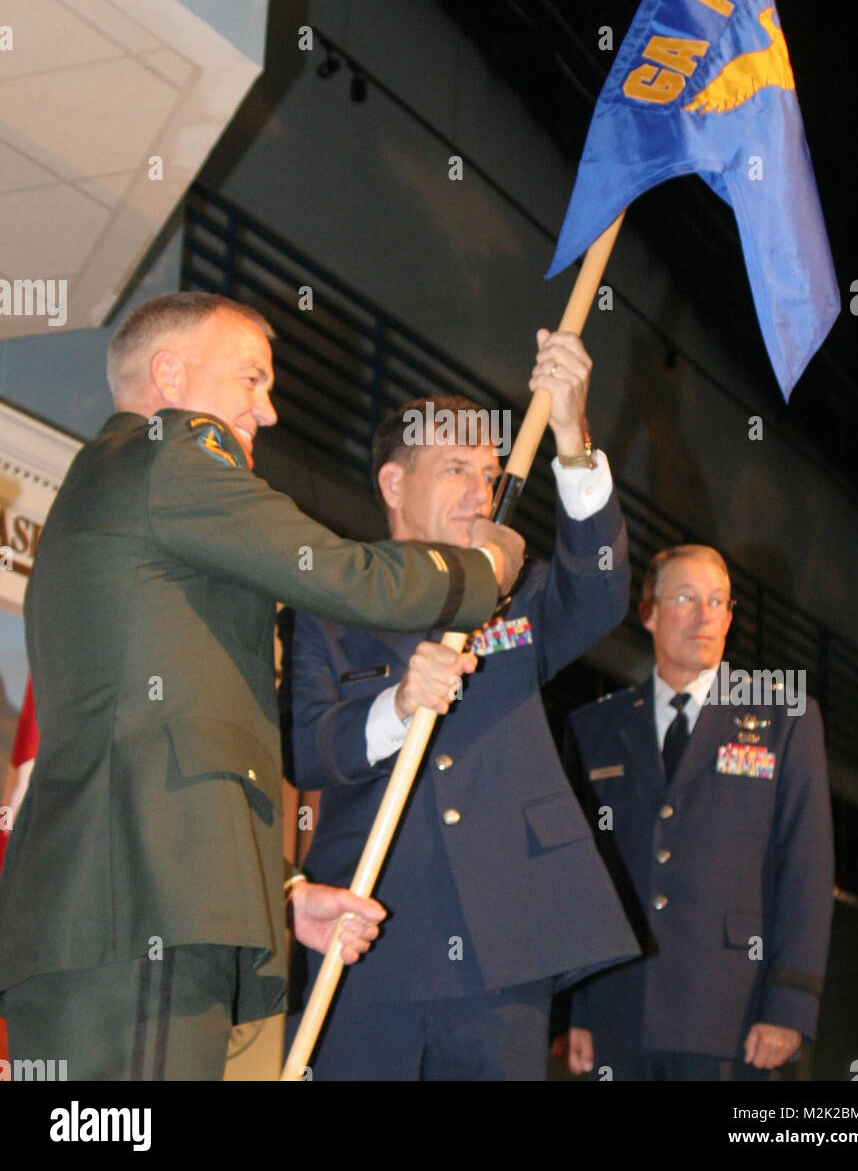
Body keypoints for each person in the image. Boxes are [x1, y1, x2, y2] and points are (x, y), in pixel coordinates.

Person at [0, 291, 523, 1080]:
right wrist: (481, 569)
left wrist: (282, 893)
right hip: (145, 909)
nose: (268, 410)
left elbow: (170, 723)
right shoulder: (168, 451)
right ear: (169, 374)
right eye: (250, 378)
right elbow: (345, 575)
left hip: (126, 907)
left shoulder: (128, 483)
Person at [284, 329, 640, 1081]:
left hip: (504, 938)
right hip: (365, 933)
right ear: (391, 484)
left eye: (488, 472)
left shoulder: (519, 592)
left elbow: (601, 589)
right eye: (454, 469)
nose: (480, 492)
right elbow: (303, 746)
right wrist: (395, 709)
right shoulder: (329, 601)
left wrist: (572, 438)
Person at [557, 544, 834, 1081]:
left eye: (718, 601)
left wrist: (789, 1006)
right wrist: (574, 1009)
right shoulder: (596, 729)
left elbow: (807, 870)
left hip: (732, 1015)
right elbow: (577, 880)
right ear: (650, 613)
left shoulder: (785, 719)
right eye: (686, 598)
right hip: (618, 1013)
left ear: (730, 617)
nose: (705, 615)